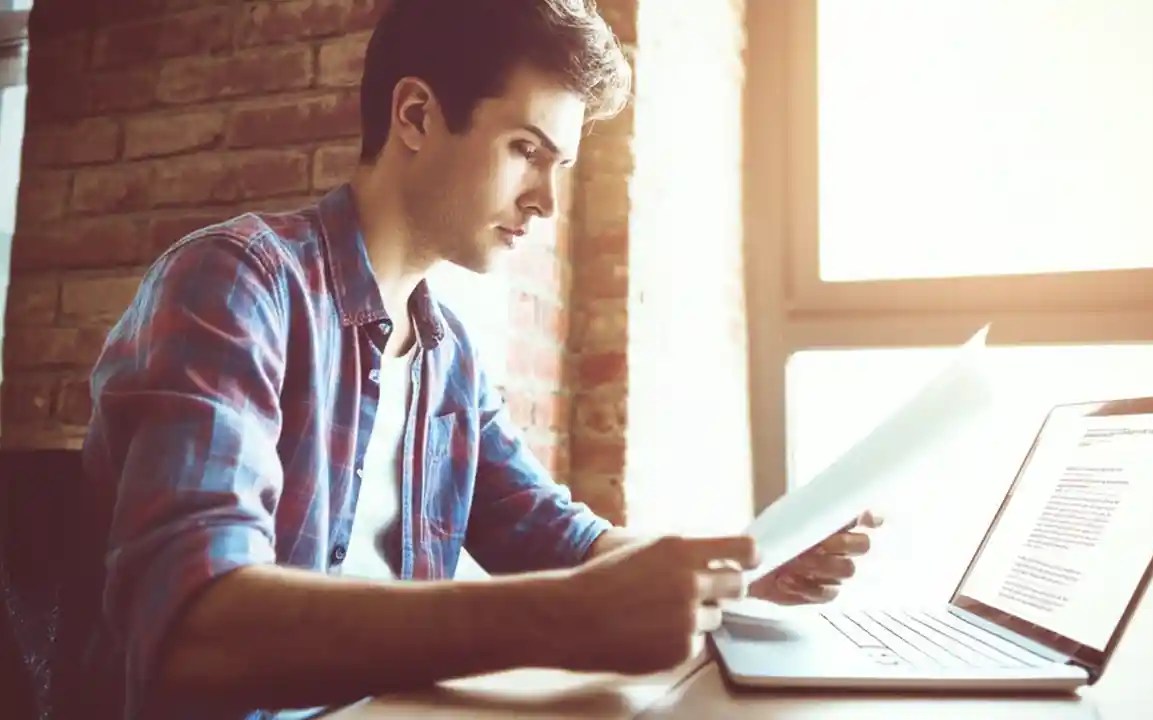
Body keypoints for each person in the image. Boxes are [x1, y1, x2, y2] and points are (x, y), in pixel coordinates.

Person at [82, 1, 882, 718]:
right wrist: (562, 617)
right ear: (418, 116)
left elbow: (564, 540)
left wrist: (745, 566)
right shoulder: (238, 283)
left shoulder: (446, 355)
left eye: (558, 166)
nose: (546, 201)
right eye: (526, 150)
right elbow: (191, 632)